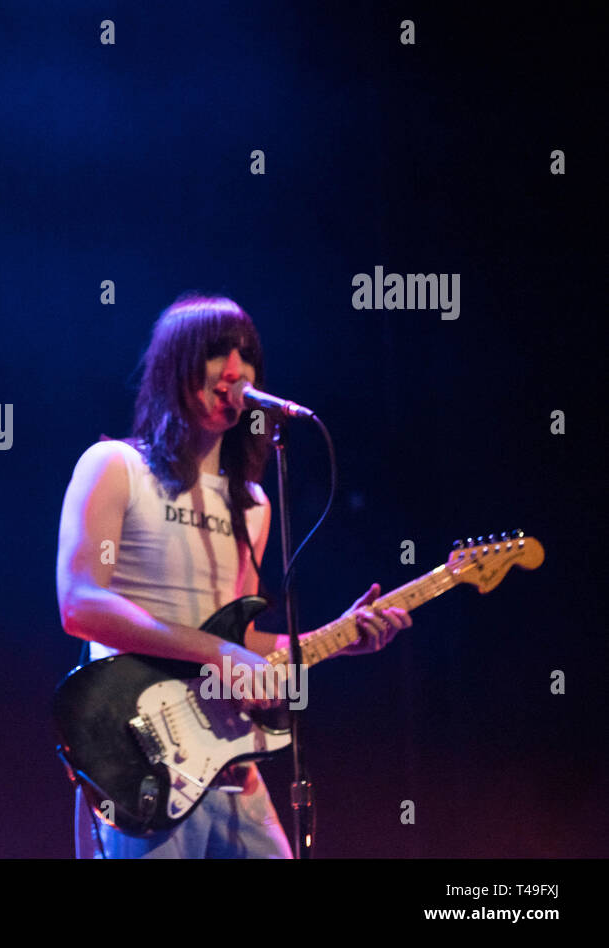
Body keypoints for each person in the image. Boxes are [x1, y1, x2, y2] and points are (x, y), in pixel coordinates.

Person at [55, 293, 411, 858]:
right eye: (219, 352)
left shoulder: (252, 504)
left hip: (227, 758)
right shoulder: (115, 466)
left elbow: (237, 639)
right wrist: (219, 655)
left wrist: (339, 640)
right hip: (139, 759)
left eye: (247, 356)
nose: (236, 371)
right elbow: (81, 604)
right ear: (177, 366)